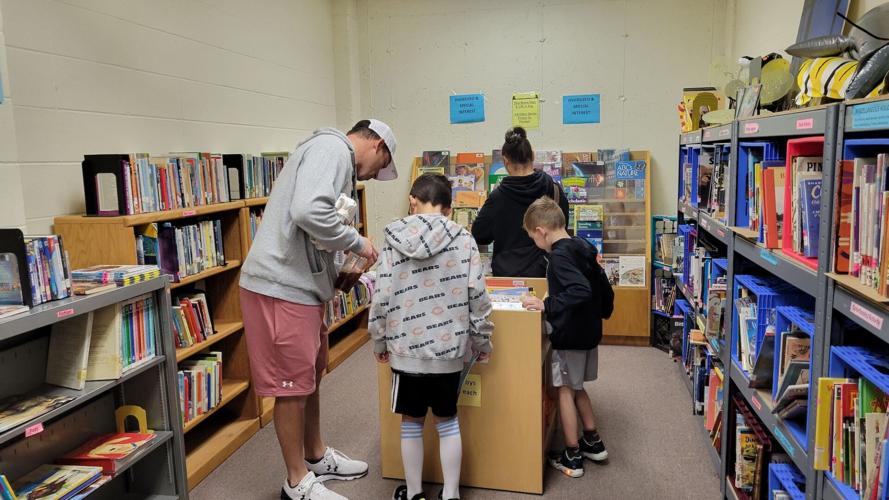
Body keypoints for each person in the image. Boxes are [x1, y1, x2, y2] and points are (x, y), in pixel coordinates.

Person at [239, 119, 398, 500]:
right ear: (377, 145)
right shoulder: (333, 150)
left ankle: (314, 455)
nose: (375, 177)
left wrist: (340, 268)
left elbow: (316, 226)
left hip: (302, 289)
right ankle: (296, 483)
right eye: (381, 167)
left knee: (309, 375)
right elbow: (309, 211)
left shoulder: (335, 157)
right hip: (282, 287)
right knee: (291, 386)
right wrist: (357, 243)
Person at [369, 174, 494, 500]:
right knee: (448, 421)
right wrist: (482, 341)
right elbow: (477, 297)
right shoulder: (464, 240)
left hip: (406, 348)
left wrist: (379, 340)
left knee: (411, 422)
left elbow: (381, 296)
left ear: (413, 201)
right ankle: (450, 493)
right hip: (448, 350)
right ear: (449, 208)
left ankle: (413, 493)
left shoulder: (392, 239)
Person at [520, 196, 609, 478]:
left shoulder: (558, 257)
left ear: (540, 232)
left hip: (570, 334)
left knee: (565, 391)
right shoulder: (582, 245)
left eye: (533, 238)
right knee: (577, 386)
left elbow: (580, 290)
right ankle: (592, 440)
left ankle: (572, 454)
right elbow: (596, 287)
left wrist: (546, 304)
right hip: (588, 330)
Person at [471, 126, 569, 277]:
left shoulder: (497, 197)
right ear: (533, 156)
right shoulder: (554, 190)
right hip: (546, 273)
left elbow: (480, 235)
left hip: (506, 277)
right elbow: (562, 229)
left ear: (505, 161)